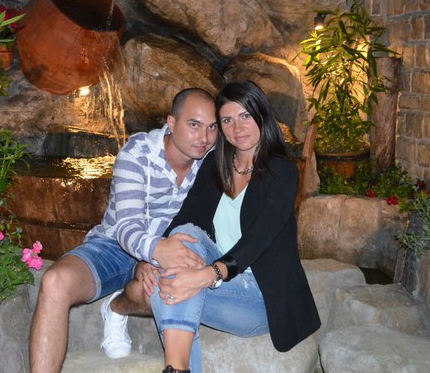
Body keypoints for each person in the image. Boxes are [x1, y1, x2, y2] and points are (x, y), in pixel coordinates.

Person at [29, 87, 219, 372]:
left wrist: (155, 258)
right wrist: (155, 251)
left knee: (169, 291)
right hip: (114, 246)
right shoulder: (139, 152)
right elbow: (127, 228)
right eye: (194, 125)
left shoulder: (212, 159)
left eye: (212, 127)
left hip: (162, 253)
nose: (204, 137)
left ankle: (116, 307)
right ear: (171, 123)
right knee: (55, 282)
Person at [144, 80, 321, 373]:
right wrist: (154, 258)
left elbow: (258, 239)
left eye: (245, 116)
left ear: (261, 115)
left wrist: (207, 275)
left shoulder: (282, 172)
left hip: (260, 298)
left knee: (170, 285)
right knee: (183, 238)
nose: (237, 127)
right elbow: (186, 218)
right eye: (227, 120)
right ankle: (177, 368)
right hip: (219, 282)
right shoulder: (215, 165)